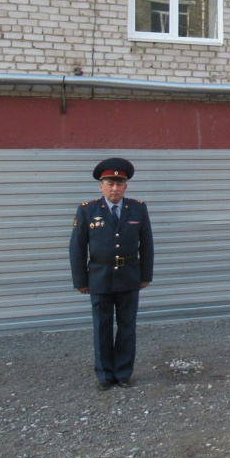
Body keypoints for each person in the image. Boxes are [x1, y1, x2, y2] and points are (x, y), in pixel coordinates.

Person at [69, 157, 154, 390]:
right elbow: (77, 248)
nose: (114, 188)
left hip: (129, 276)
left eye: (119, 184)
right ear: (101, 186)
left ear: (125, 186)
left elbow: (146, 244)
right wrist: (81, 280)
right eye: (110, 184)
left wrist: (145, 275)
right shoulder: (87, 210)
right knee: (102, 327)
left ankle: (124, 373)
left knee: (127, 327)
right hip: (99, 276)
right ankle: (104, 374)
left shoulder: (137, 208)